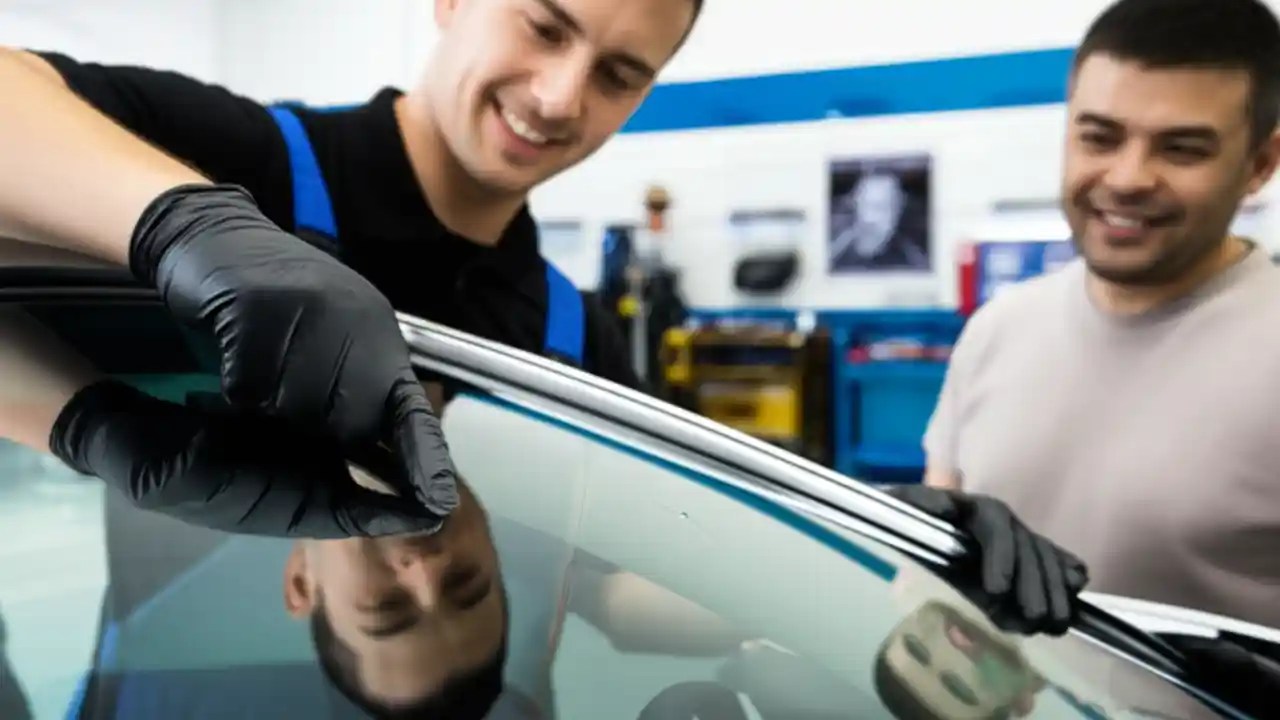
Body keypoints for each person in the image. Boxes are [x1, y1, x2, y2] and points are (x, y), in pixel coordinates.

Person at [0, 0, 709, 538]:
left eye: (618, 76)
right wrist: (179, 219)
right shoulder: (242, 159)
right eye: (545, 28)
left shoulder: (573, 339)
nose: (560, 98)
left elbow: (634, 579)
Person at [922, 0, 1280, 643]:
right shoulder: (998, 329)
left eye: (1182, 148)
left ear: (1260, 164)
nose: (1127, 177)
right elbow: (923, 578)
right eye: (1099, 137)